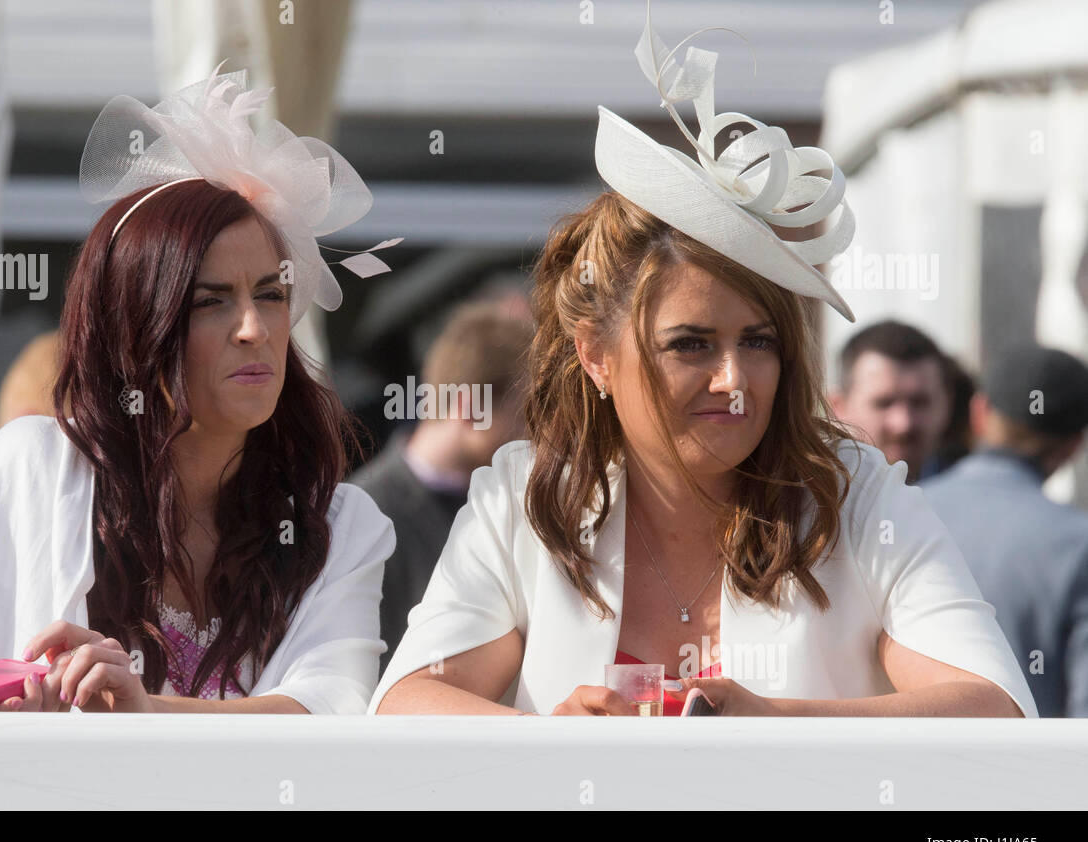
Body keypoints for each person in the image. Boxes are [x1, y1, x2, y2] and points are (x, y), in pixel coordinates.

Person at [370, 11, 1035, 718]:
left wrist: (777, 723)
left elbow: (996, 707)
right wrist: (549, 742)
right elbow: (404, 702)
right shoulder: (524, 500)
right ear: (596, 355)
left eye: (759, 341)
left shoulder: (855, 497)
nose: (733, 379)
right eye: (690, 343)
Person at [0, 67, 397, 713]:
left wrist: (141, 711)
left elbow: (329, 710)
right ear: (135, 327)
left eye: (272, 294)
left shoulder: (338, 523)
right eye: (211, 302)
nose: (254, 329)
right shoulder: (36, 467)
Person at [350, 298, 533, 674]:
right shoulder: (366, 513)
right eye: (525, 413)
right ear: (470, 409)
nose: (534, 433)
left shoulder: (508, 501)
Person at [922, 344, 1088, 717]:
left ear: (980, 412)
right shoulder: (1077, 543)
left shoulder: (902, 511)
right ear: (1075, 443)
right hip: (1031, 772)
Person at [828, 320, 952, 484]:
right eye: (884, 403)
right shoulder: (812, 500)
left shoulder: (975, 500)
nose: (903, 424)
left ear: (947, 404)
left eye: (919, 402)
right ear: (838, 407)